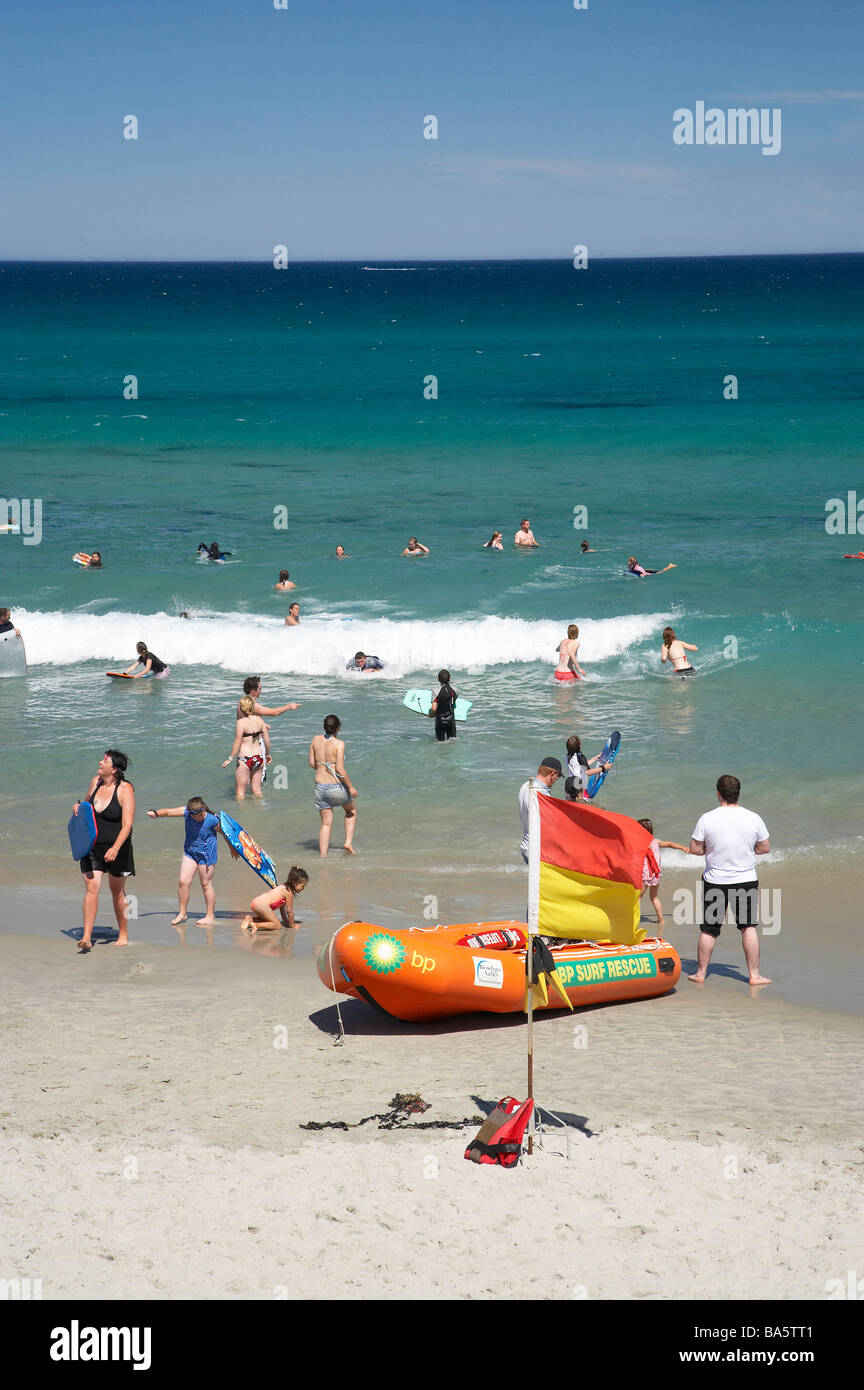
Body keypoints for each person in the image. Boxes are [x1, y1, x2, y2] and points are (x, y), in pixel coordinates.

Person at [688, 775, 771, 986]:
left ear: (718, 793)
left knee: (709, 929)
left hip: (715, 880)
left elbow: (695, 849)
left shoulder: (707, 818)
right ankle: (754, 975)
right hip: (745, 879)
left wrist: (710, 849)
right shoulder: (753, 818)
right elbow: (764, 848)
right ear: (738, 793)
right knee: (748, 927)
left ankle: (700, 973)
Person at [73, 750, 135, 952]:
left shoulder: (125, 789)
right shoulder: (95, 782)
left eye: (105, 760)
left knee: (117, 891)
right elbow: (86, 809)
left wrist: (116, 848)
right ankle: (86, 937)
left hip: (118, 848)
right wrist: (77, 807)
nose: (100, 762)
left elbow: (127, 825)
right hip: (92, 847)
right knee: (92, 888)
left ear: (114, 768)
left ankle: (123, 933)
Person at [147, 797, 223, 926]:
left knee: (206, 884)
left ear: (204, 809)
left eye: (199, 815)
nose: (197, 818)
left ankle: (210, 915)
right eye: (194, 816)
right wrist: (156, 813)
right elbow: (169, 812)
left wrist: (233, 848)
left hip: (206, 856)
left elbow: (224, 833)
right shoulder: (187, 813)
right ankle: (182, 913)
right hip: (190, 853)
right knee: (183, 882)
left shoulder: (212, 819)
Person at [309, 714, 358, 856]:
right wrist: (350, 787)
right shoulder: (339, 744)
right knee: (351, 811)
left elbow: (312, 764)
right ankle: (348, 842)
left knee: (326, 824)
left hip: (320, 788)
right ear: (338, 728)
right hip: (336, 787)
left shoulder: (315, 740)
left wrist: (323, 766)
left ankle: (323, 857)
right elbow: (340, 769)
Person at [636, 818, 689, 928]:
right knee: (654, 898)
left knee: (638, 898)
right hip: (656, 874)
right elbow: (669, 844)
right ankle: (661, 920)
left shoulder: (639, 843)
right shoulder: (656, 842)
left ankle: (634, 920)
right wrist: (682, 847)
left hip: (645, 875)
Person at [223, 696, 270, 799]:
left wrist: (229, 758)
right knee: (257, 791)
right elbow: (266, 740)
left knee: (240, 793)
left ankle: (243, 814)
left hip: (245, 759)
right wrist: (267, 754)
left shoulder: (240, 723)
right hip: (259, 757)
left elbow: (237, 742)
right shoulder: (260, 720)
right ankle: (260, 811)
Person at [518, 758, 562, 863]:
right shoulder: (541, 793)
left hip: (527, 845)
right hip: (537, 850)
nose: (557, 780)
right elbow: (548, 824)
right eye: (558, 776)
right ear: (552, 774)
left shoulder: (526, 786)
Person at [241, 867, 309, 932]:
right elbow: (289, 912)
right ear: (294, 883)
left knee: (268, 921)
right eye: (303, 886)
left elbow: (282, 909)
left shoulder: (283, 887)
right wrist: (292, 925)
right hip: (262, 905)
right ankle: (256, 925)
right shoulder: (289, 893)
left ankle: (250, 919)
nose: (303, 888)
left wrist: (285, 922)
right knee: (277, 925)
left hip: (256, 902)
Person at [564, 736, 611, 800]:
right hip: (578, 788)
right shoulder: (580, 757)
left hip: (569, 786)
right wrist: (604, 768)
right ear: (579, 746)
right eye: (580, 742)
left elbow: (580, 766)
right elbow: (587, 772)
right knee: (581, 806)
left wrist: (596, 758)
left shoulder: (568, 756)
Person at [429, 669, 458, 741]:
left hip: (440, 721)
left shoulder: (435, 691)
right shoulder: (455, 690)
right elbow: (452, 703)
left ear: (438, 679)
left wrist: (431, 714)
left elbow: (434, 708)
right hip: (451, 720)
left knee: (440, 743)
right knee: (452, 742)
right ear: (449, 679)